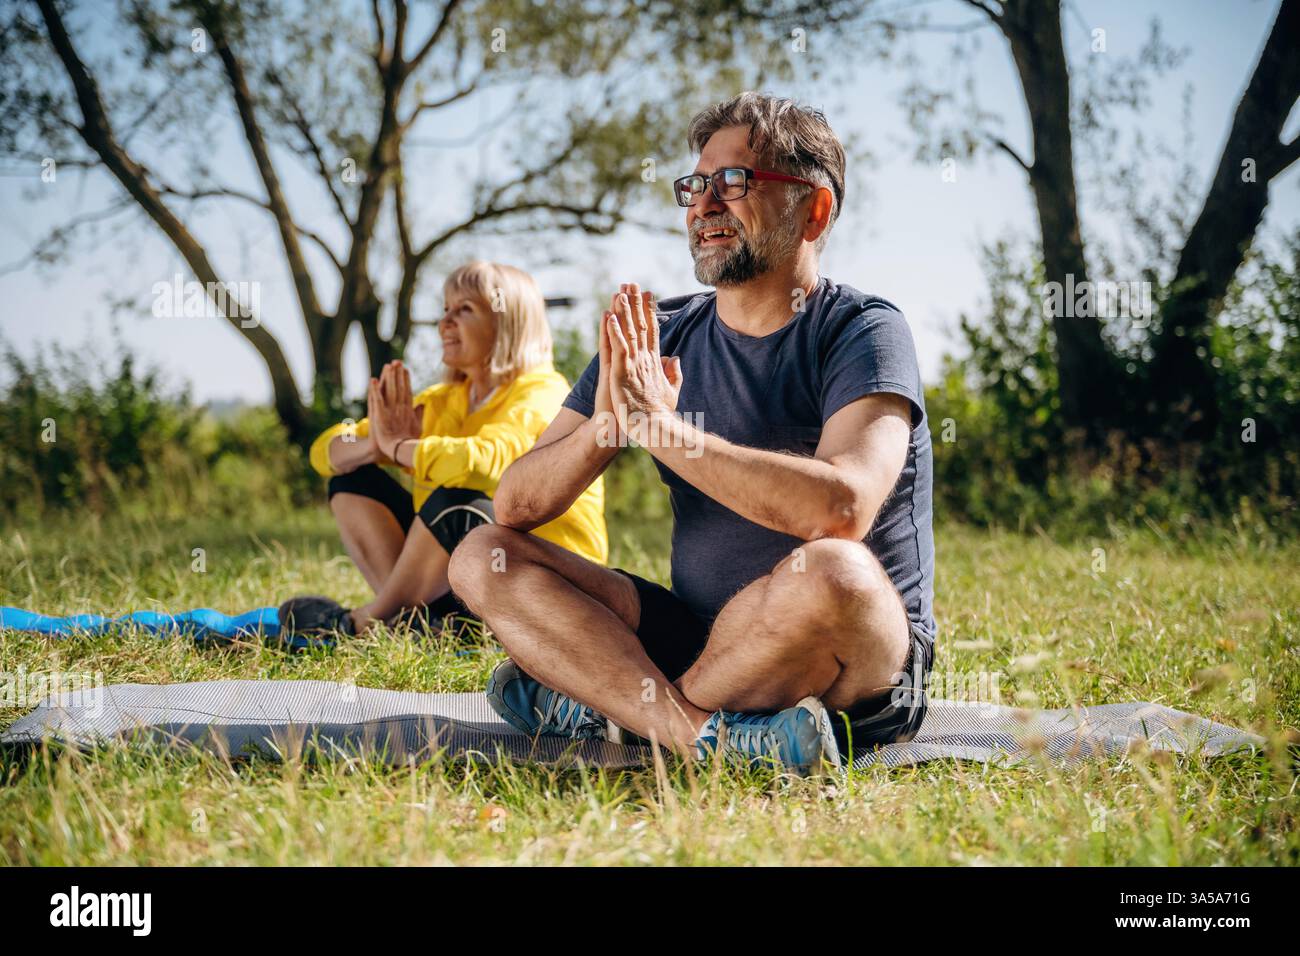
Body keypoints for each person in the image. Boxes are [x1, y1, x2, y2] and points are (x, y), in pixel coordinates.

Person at [447, 92, 936, 775]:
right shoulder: (659, 333)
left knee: (836, 572)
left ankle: (608, 707)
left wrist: (661, 427)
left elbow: (841, 508)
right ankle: (699, 734)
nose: (703, 204)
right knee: (482, 554)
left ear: (813, 210)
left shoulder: (862, 330)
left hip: (846, 659)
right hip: (698, 639)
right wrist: (611, 427)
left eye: (734, 183)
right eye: (694, 185)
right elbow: (517, 505)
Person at [279, 261, 607, 638]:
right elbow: (326, 452)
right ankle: (420, 624)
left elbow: (485, 465)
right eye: (445, 310)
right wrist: (376, 444)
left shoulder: (544, 393)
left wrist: (401, 447)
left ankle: (364, 624)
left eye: (464, 309)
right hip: (459, 585)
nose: (444, 323)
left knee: (457, 503)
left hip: (547, 585)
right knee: (352, 482)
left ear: (507, 323)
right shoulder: (442, 401)